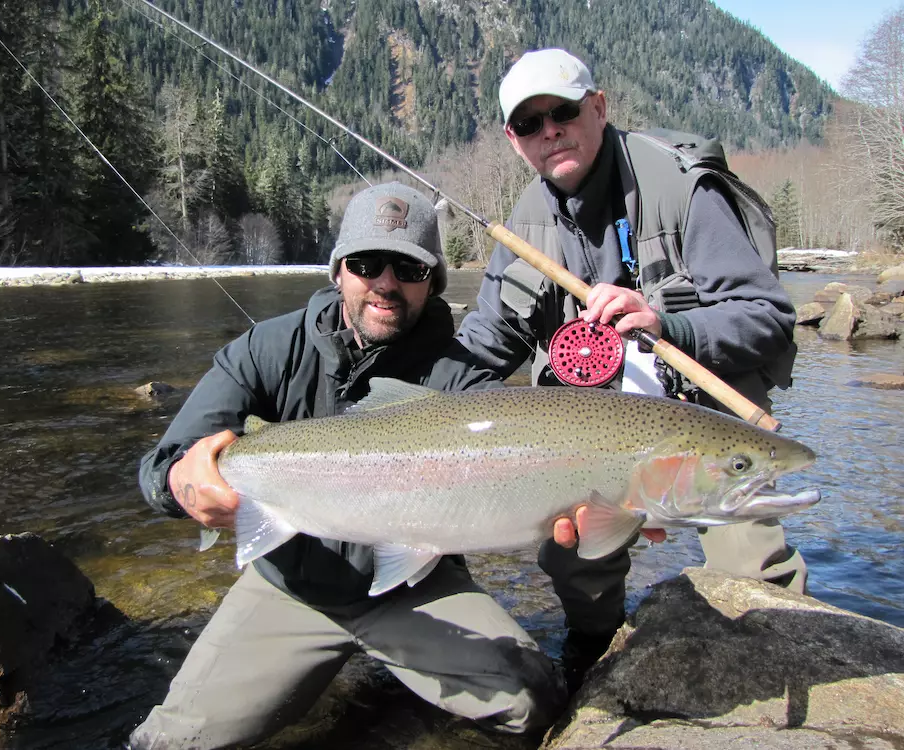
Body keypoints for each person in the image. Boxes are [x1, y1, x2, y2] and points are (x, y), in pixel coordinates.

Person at [128, 182, 567, 750]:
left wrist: (569, 509)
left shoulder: (462, 381)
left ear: (431, 282)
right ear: (338, 271)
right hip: (290, 584)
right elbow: (160, 466)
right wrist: (181, 485)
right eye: (366, 264)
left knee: (534, 702)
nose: (386, 283)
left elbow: (525, 470)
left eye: (408, 268)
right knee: (171, 744)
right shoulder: (266, 349)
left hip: (415, 588)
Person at [455, 48, 808, 693]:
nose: (549, 131)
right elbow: (479, 351)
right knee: (572, 558)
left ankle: (787, 671)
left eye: (562, 112)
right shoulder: (524, 228)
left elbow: (767, 315)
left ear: (598, 107)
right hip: (591, 444)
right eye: (529, 125)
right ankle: (594, 655)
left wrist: (669, 325)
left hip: (707, 430)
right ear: (513, 140)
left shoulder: (683, 189)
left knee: (756, 575)